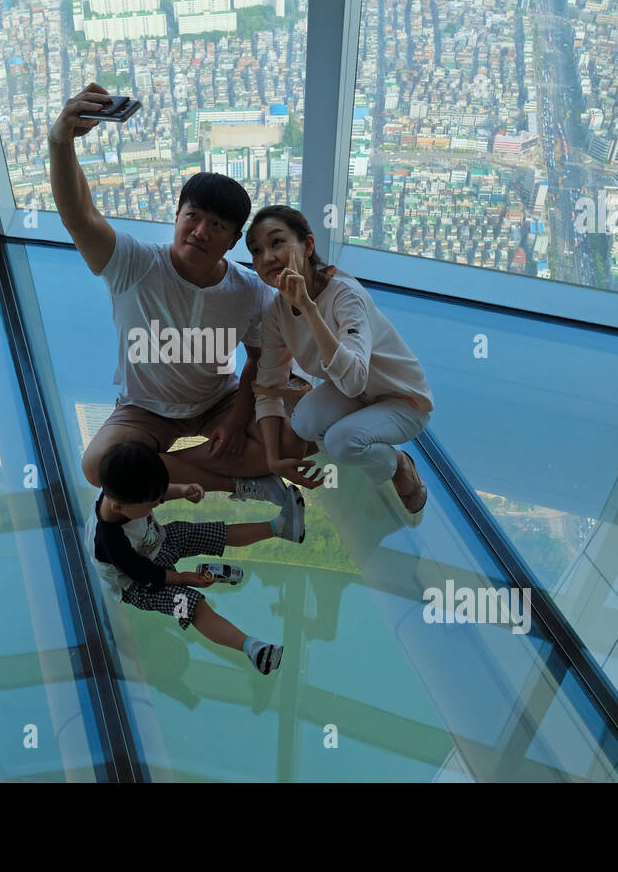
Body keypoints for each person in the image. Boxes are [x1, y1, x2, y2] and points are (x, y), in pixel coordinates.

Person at [48, 82, 313, 538]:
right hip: (145, 408)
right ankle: (243, 483)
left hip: (217, 401)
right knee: (98, 467)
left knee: (297, 439)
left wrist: (234, 417)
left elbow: (261, 357)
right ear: (176, 216)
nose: (199, 230)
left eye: (217, 225)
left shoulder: (248, 290)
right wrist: (61, 142)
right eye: (192, 216)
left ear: (232, 242)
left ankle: (148, 475)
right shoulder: (134, 265)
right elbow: (79, 215)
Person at [246, 205, 435, 524]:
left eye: (277, 243)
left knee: (341, 442)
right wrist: (273, 459)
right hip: (355, 395)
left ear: (307, 246)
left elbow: (354, 381)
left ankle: (398, 463)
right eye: (256, 251)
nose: (266, 258)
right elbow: (269, 383)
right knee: (303, 421)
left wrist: (307, 307)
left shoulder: (346, 296)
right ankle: (363, 441)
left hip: (404, 401)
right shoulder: (278, 312)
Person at [86, 442, 296, 674]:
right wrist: (184, 577)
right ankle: (253, 650)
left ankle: (282, 528)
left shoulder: (127, 487)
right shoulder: (109, 541)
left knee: (206, 533)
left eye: (158, 497)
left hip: (155, 544)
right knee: (189, 606)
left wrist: (182, 490)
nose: (157, 503)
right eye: (152, 503)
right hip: (138, 587)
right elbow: (144, 573)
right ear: (118, 507)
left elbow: (156, 491)